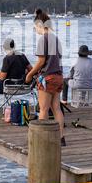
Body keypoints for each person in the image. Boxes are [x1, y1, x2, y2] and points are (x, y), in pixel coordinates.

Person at [25, 9, 66, 146]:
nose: (35, 30)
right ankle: (61, 138)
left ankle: (42, 140)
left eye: (35, 27)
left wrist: (30, 74)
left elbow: (41, 61)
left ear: (39, 25)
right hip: (59, 77)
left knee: (43, 109)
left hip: (48, 79)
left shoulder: (44, 39)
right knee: (56, 108)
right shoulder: (56, 39)